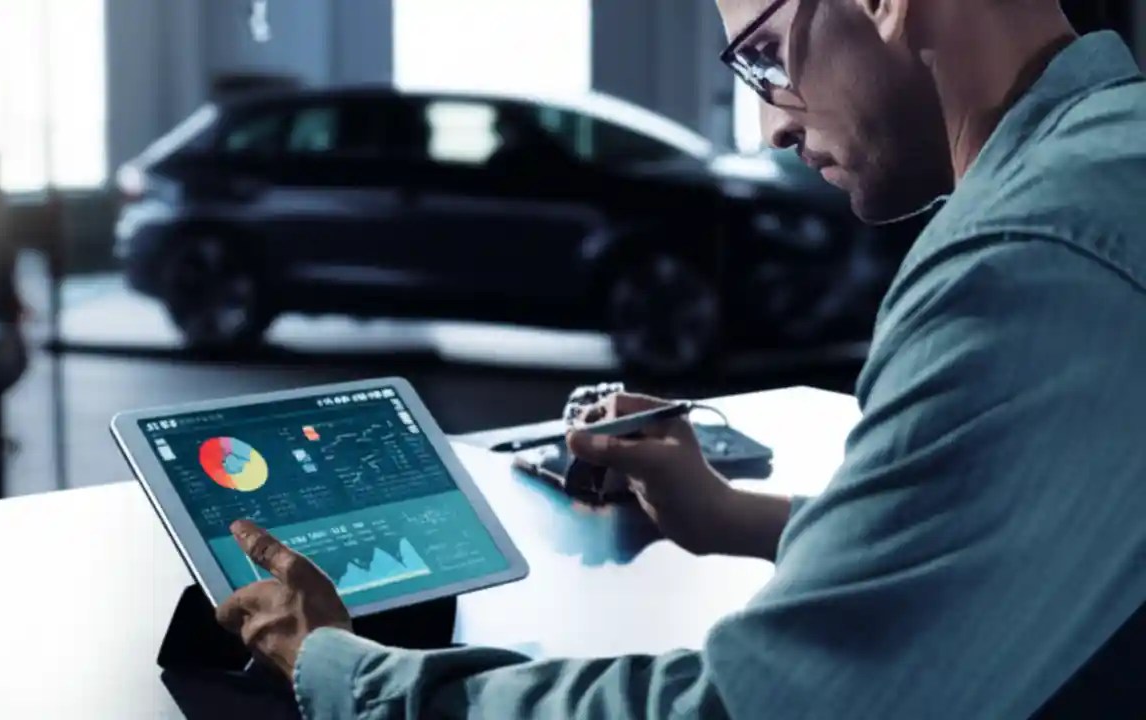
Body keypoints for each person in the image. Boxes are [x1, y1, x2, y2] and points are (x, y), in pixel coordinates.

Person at [215, 0, 1146, 716]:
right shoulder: (1115, 161)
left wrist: (344, 670)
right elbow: (1041, 524)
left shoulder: (1025, 259)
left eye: (766, 56)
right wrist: (740, 517)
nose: (773, 127)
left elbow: (754, 708)